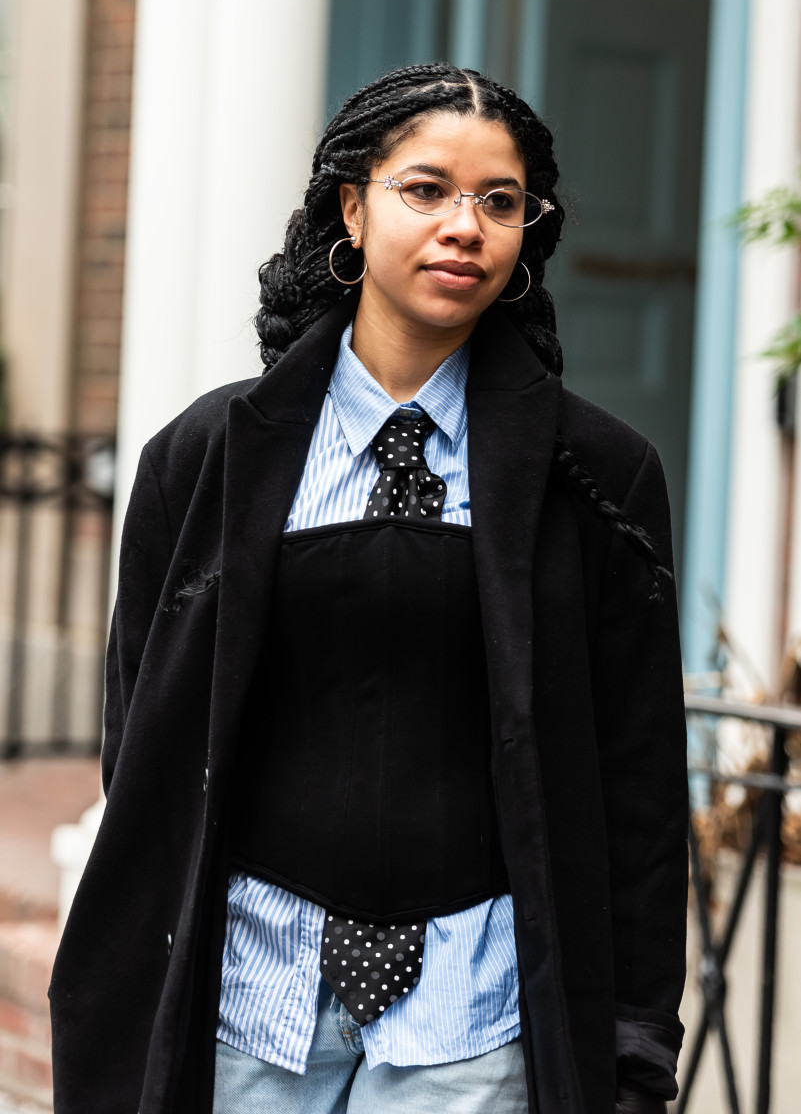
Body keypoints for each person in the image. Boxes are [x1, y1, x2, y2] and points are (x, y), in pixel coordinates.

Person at [49, 63, 688, 1114]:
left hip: (476, 1023)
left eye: (500, 202)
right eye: (426, 190)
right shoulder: (204, 459)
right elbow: (144, 742)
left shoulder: (600, 479)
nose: (465, 227)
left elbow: (640, 791)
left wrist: (634, 1047)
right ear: (352, 205)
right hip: (247, 1005)